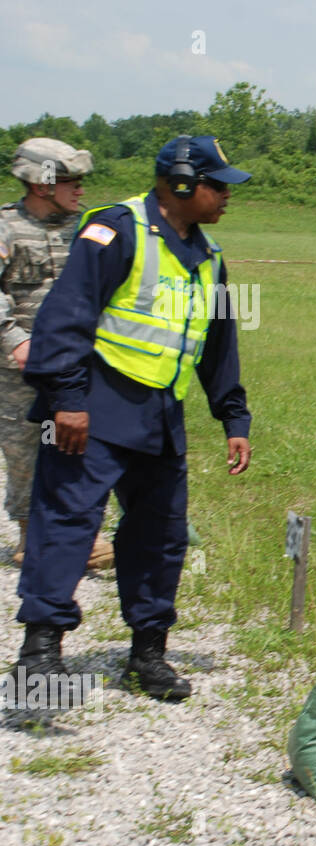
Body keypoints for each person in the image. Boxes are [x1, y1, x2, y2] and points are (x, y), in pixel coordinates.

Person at [10, 134, 253, 701]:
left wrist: (233, 419)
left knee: (160, 537)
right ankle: (40, 653)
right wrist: (68, 400)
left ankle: (148, 654)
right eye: (217, 186)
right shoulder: (114, 232)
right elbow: (64, 319)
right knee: (66, 523)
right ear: (183, 184)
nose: (225, 197)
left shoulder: (210, 257)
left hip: (160, 416)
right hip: (92, 409)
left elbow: (218, 344)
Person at [0, 138, 113, 570]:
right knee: (25, 449)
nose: (81, 190)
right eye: (72, 181)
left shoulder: (85, 229)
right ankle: (32, 535)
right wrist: (16, 341)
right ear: (43, 185)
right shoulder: (6, 228)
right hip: (18, 369)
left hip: (73, 364)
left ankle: (83, 533)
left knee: (76, 443)